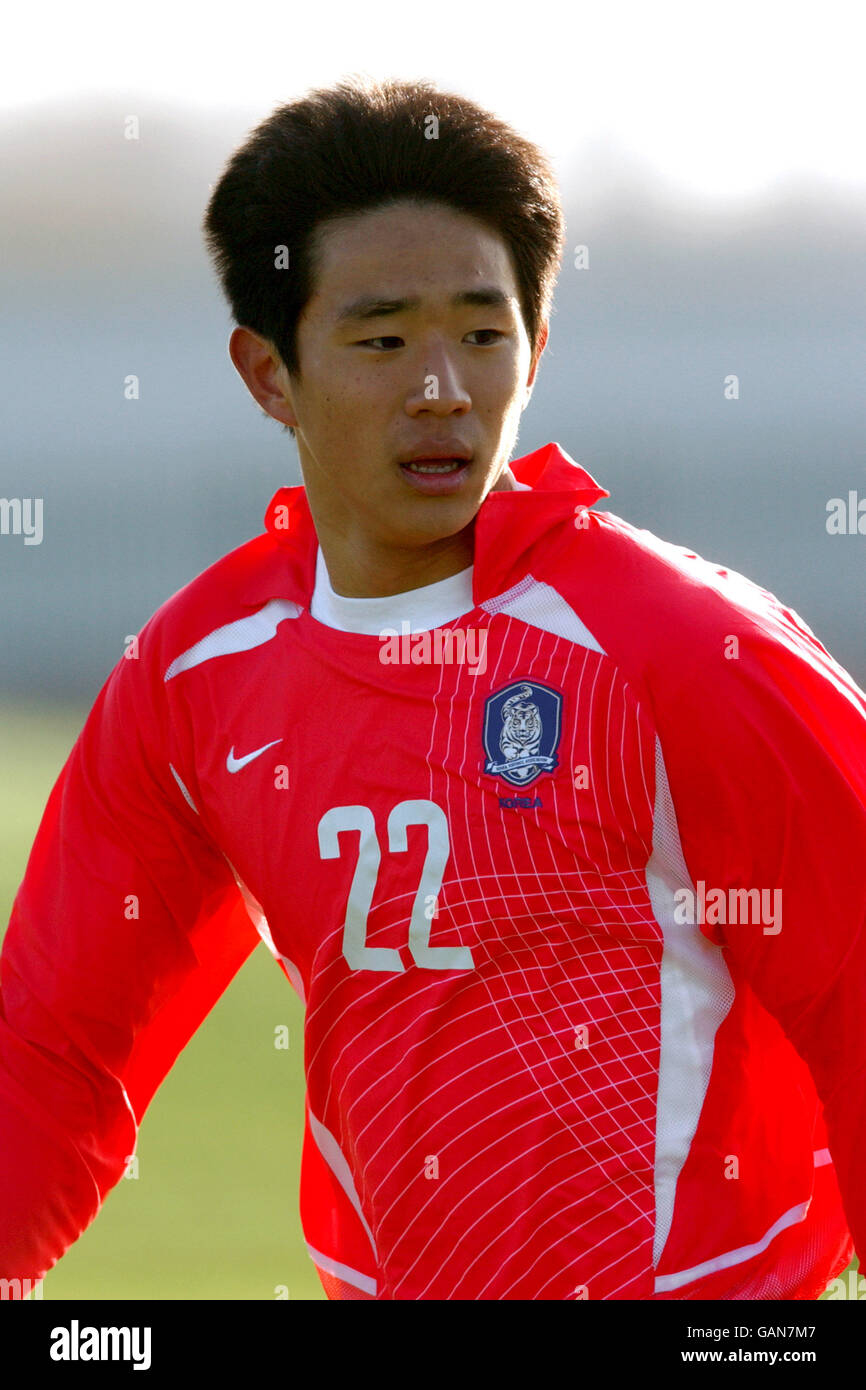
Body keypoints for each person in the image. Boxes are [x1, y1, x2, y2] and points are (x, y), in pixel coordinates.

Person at [1, 75, 863, 1301]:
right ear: (267, 373)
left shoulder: (684, 648)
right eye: (381, 338)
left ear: (537, 346)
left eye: (480, 329)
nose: (441, 389)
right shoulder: (193, 677)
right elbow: (57, 1043)